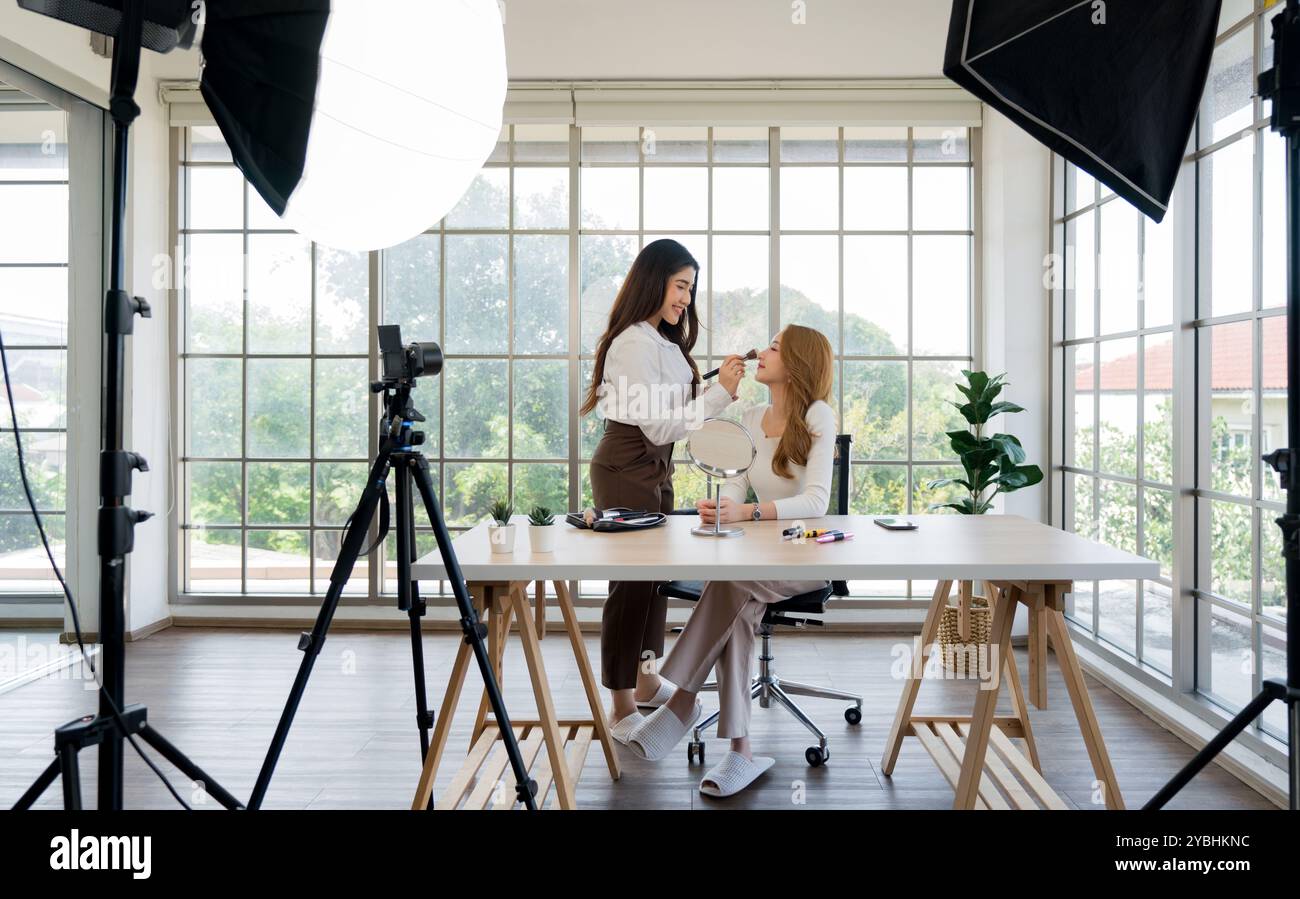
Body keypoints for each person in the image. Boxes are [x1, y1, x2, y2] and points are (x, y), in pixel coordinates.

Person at [625, 324, 837, 798]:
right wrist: (724, 507)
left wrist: (750, 512)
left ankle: (681, 704)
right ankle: (741, 750)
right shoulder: (758, 415)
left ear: (799, 362)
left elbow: (816, 502)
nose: (763, 351)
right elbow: (739, 485)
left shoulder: (819, 416)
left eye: (776, 347)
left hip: (805, 553)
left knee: (732, 585)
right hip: (756, 561)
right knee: (735, 599)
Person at [582, 238, 747, 743]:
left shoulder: (662, 341)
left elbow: (675, 408)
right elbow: (657, 426)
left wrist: (720, 386)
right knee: (631, 585)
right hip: (629, 461)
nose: (685, 300)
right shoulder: (633, 342)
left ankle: (646, 674)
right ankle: (619, 703)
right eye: (680, 286)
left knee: (655, 580)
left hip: (655, 466)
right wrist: (720, 395)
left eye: (690, 290)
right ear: (654, 280)